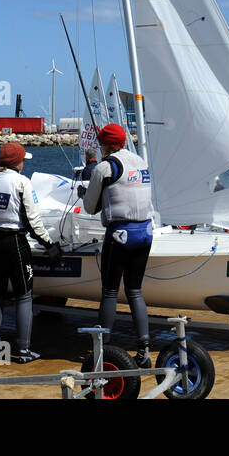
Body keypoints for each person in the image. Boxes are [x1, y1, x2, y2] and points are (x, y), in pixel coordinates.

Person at [81, 125, 154, 367]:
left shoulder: (104, 167)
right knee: (135, 290)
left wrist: (86, 192)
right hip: (145, 232)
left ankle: (103, 350)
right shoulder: (141, 161)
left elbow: (91, 208)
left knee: (110, 291)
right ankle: (144, 350)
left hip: (120, 234)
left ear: (104, 145)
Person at [0, 142, 59, 363]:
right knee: (24, 295)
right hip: (13, 243)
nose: (24, 163)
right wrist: (50, 245)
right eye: (23, 159)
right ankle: (23, 351)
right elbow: (33, 223)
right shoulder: (22, 182)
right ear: (17, 163)